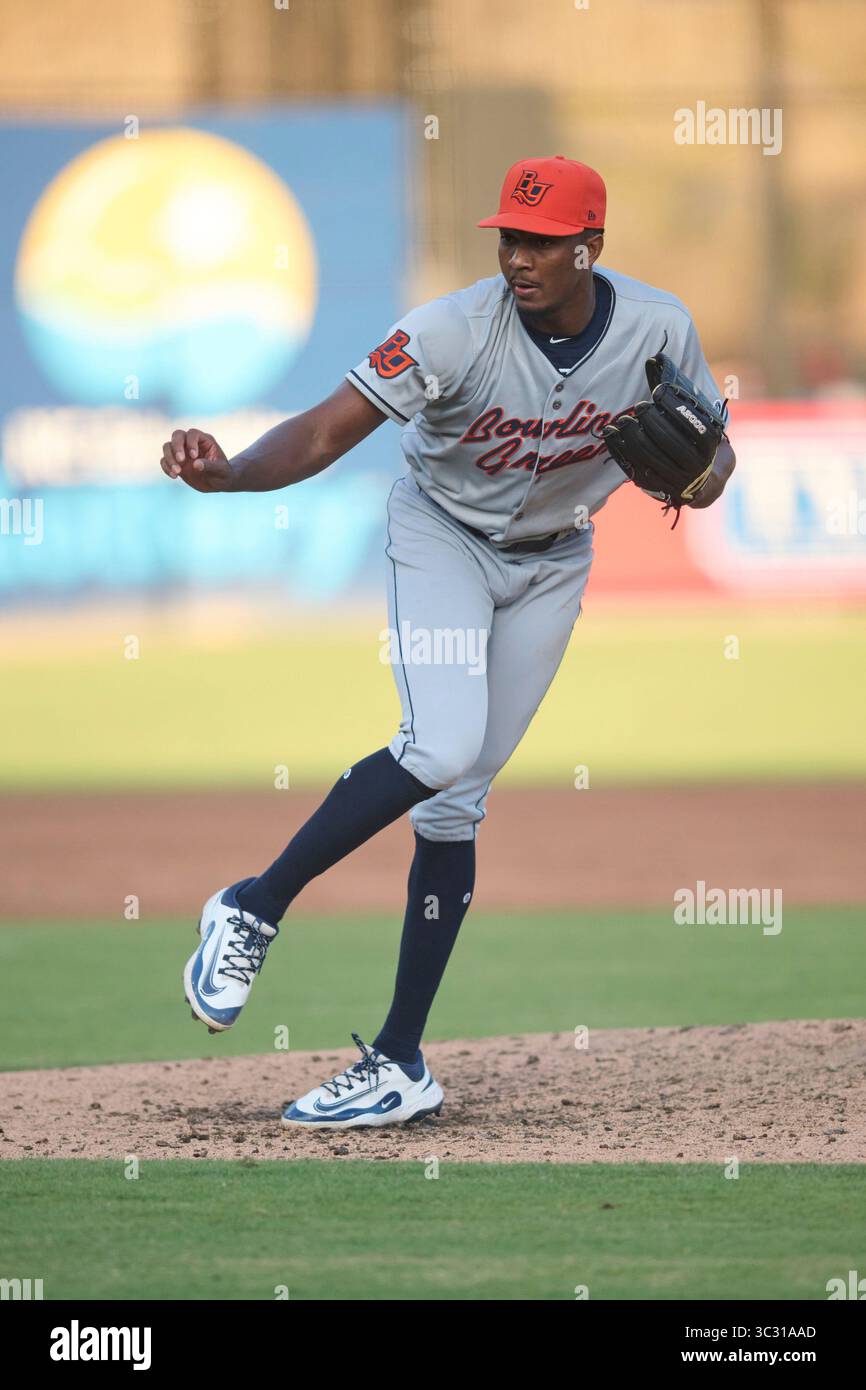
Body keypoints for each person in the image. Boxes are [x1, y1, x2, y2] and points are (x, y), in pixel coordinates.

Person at [163, 155, 735, 1130]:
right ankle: (253, 906)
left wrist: (701, 474)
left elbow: (711, 462)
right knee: (438, 745)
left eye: (541, 241)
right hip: (442, 534)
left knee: (456, 798)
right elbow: (323, 431)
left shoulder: (656, 328)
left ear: (587, 247)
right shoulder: (447, 331)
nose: (518, 257)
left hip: (553, 561)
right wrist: (231, 476)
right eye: (508, 236)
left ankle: (397, 1061)